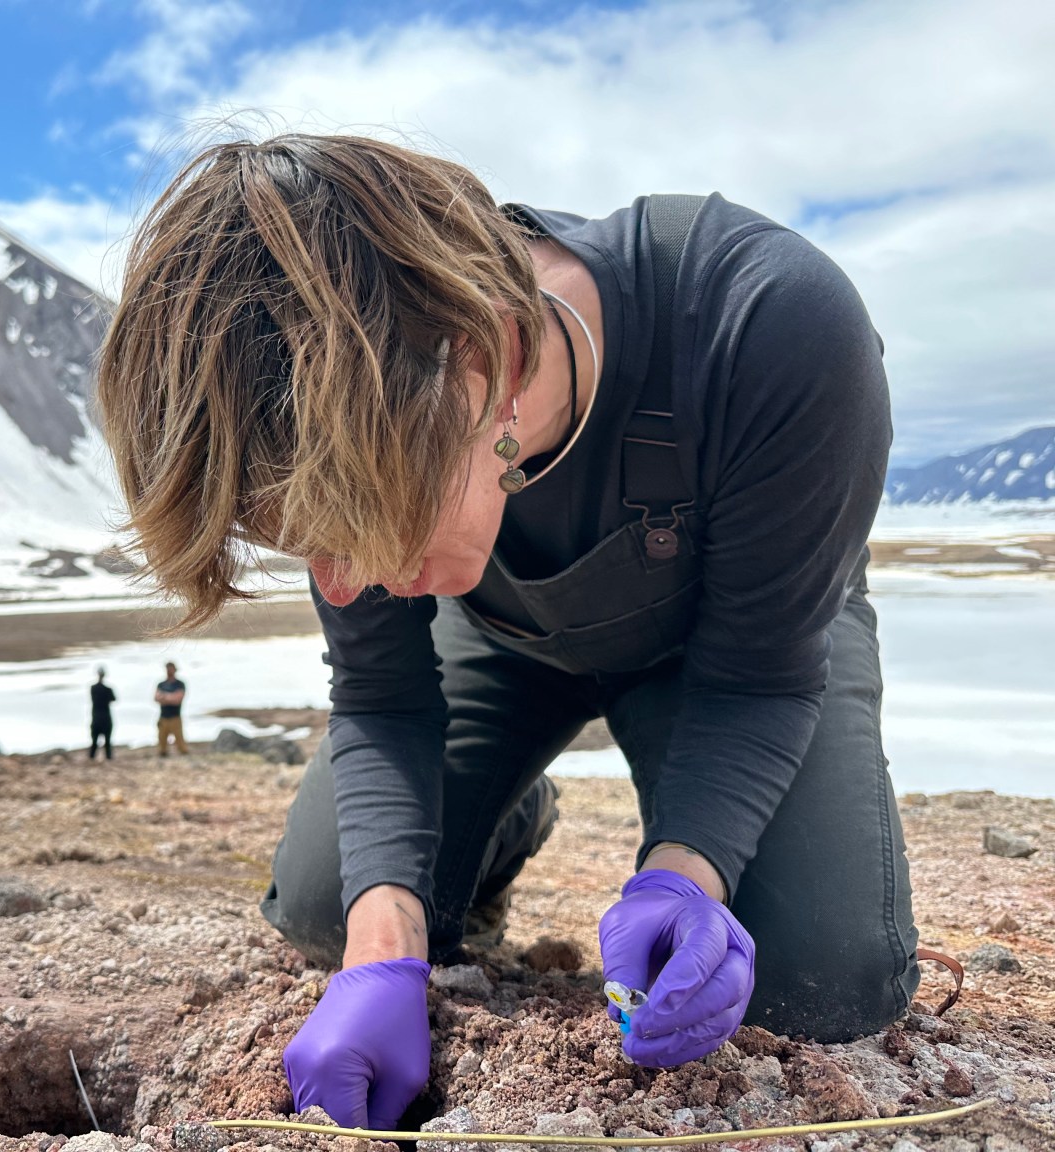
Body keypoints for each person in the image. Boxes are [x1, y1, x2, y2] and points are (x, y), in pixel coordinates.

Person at [96, 134, 919, 1130]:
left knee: (819, 975)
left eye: (353, 528)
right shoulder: (361, 412)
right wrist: (384, 945)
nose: (344, 580)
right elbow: (383, 700)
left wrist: (686, 873)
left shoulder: (772, 322)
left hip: (737, 648)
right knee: (329, 907)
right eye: (304, 545)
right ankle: (505, 815)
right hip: (502, 644)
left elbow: (761, 680)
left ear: (493, 358)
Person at [154, 662, 188, 756]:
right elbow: (156, 698)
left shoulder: (180, 684)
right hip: (163, 716)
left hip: (175, 717)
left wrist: (164, 697)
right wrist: (171, 697)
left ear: (175, 670)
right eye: (168, 669)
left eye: (171, 669)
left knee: (180, 740)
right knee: (161, 739)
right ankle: (163, 753)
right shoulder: (161, 684)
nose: (169, 671)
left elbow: (178, 699)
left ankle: (183, 753)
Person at [89, 667, 116, 760]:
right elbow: (113, 699)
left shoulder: (93, 688)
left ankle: (92, 757)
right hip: (105, 717)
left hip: (96, 717)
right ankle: (108, 757)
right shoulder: (108, 689)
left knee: (95, 740)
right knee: (107, 740)